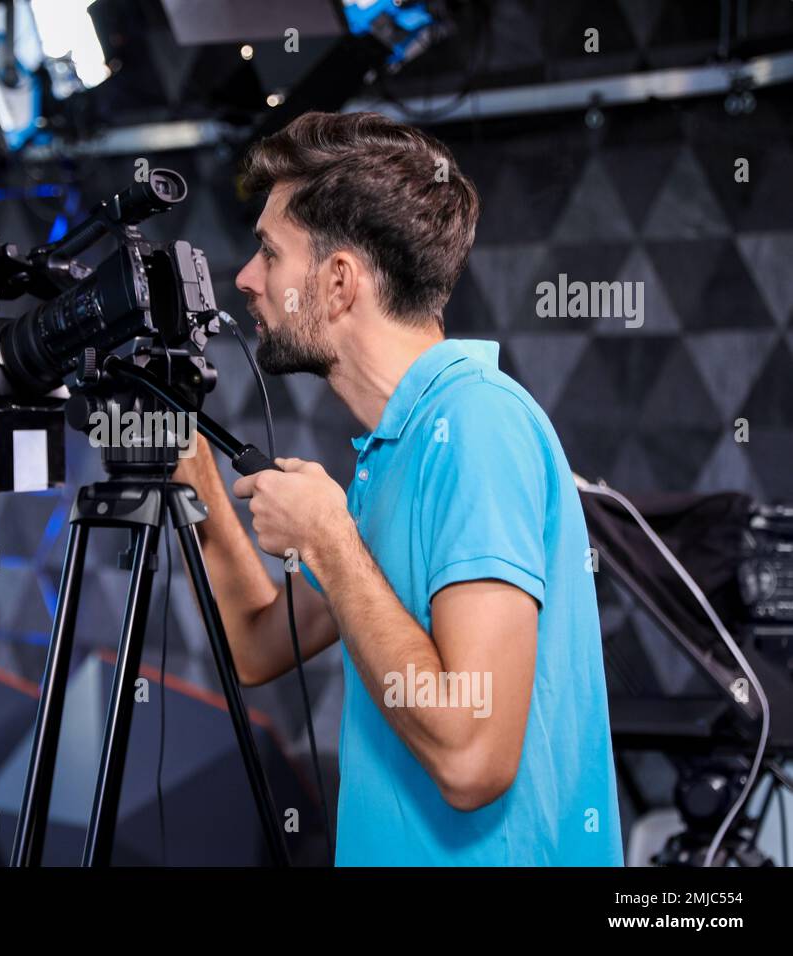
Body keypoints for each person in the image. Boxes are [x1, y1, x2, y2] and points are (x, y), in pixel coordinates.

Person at [173, 110, 622, 866]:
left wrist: (328, 538)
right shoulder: (398, 449)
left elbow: (474, 760)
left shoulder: (476, 426)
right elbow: (256, 646)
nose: (247, 278)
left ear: (339, 281)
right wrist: (199, 477)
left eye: (269, 252)